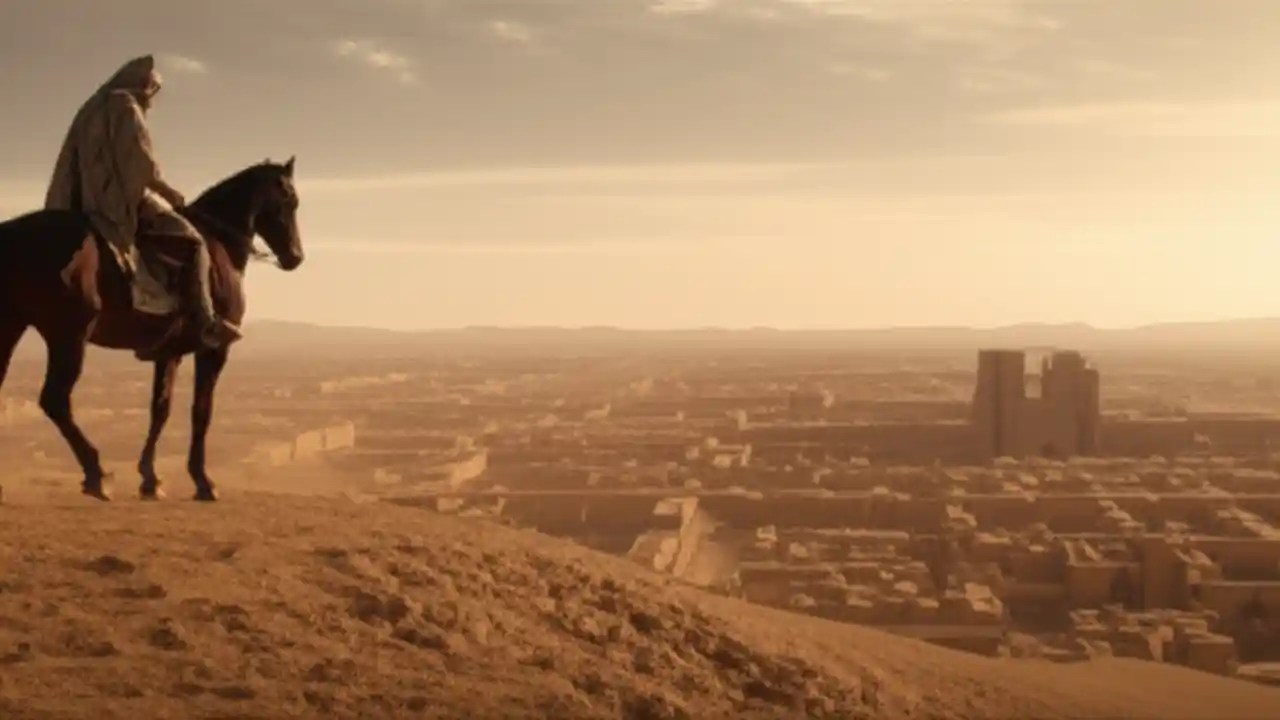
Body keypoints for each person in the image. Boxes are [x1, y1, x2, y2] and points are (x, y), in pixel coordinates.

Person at [45, 55, 241, 354]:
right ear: (142, 84)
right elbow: (139, 163)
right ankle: (205, 321)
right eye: (152, 90)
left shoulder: (91, 108)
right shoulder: (126, 106)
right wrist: (168, 191)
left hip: (82, 200)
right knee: (193, 241)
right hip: (120, 199)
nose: (152, 99)